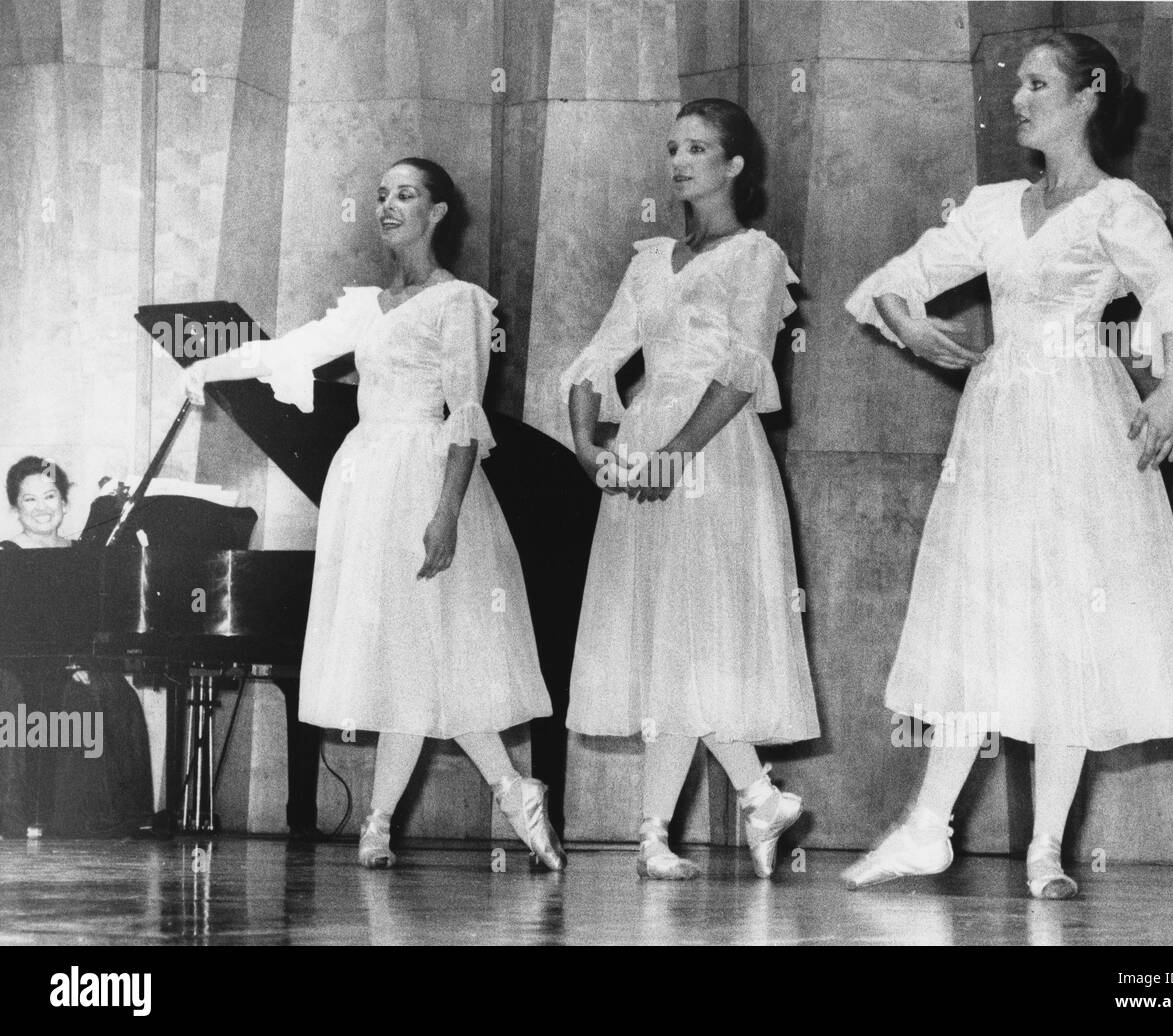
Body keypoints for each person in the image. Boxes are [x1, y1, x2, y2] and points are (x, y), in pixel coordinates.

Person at [842, 33, 1173, 898]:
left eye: (1036, 83)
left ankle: (1046, 847)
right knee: (979, 614)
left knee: (1069, 620)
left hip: (1080, 422)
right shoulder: (991, 205)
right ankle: (927, 826)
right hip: (999, 423)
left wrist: (1171, 393)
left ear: (1087, 95)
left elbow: (1168, 298)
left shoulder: (1121, 207)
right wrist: (906, 321)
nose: (1017, 97)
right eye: (1016, 83)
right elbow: (898, 277)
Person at [185, 158, 564, 870]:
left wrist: (447, 513)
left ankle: (423, 814)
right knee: (404, 657)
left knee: (431, 652)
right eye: (383, 195)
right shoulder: (366, 306)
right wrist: (208, 365)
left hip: (424, 481)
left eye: (407, 195)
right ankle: (477, 802)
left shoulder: (460, 303)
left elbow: (466, 413)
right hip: (365, 483)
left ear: (439, 211)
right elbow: (291, 351)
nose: (389, 205)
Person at [562, 99, 820, 880]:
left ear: (735, 165)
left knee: (697, 638)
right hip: (645, 451)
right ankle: (708, 816)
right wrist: (587, 445)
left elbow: (743, 370)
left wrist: (674, 456)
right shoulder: (650, 260)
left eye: (699, 148)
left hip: (713, 457)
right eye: (674, 147)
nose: (680, 161)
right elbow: (597, 359)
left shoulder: (757, 257)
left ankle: (713, 811)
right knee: (661, 641)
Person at [0, 456, 155, 839]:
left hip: (75, 660)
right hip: (17, 662)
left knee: (117, 693)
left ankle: (115, 816)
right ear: (15, 506)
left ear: (65, 502)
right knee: (65, 697)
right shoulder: (6, 554)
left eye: (50, 496)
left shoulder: (84, 554)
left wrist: (83, 661)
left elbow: (95, 624)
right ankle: (41, 816)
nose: (41, 508)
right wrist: (67, 664)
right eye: (29, 499)